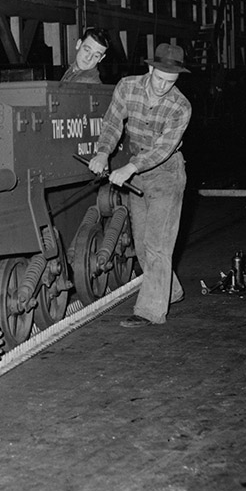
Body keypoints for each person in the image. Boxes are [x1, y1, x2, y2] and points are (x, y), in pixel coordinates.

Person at [88, 43, 192, 328]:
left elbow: (162, 149)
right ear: (150, 68)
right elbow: (112, 122)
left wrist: (129, 167)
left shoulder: (180, 106)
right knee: (144, 245)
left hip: (167, 174)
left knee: (158, 245)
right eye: (159, 78)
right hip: (137, 174)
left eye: (171, 82)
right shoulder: (127, 87)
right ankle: (171, 290)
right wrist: (102, 152)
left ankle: (150, 311)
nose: (163, 87)